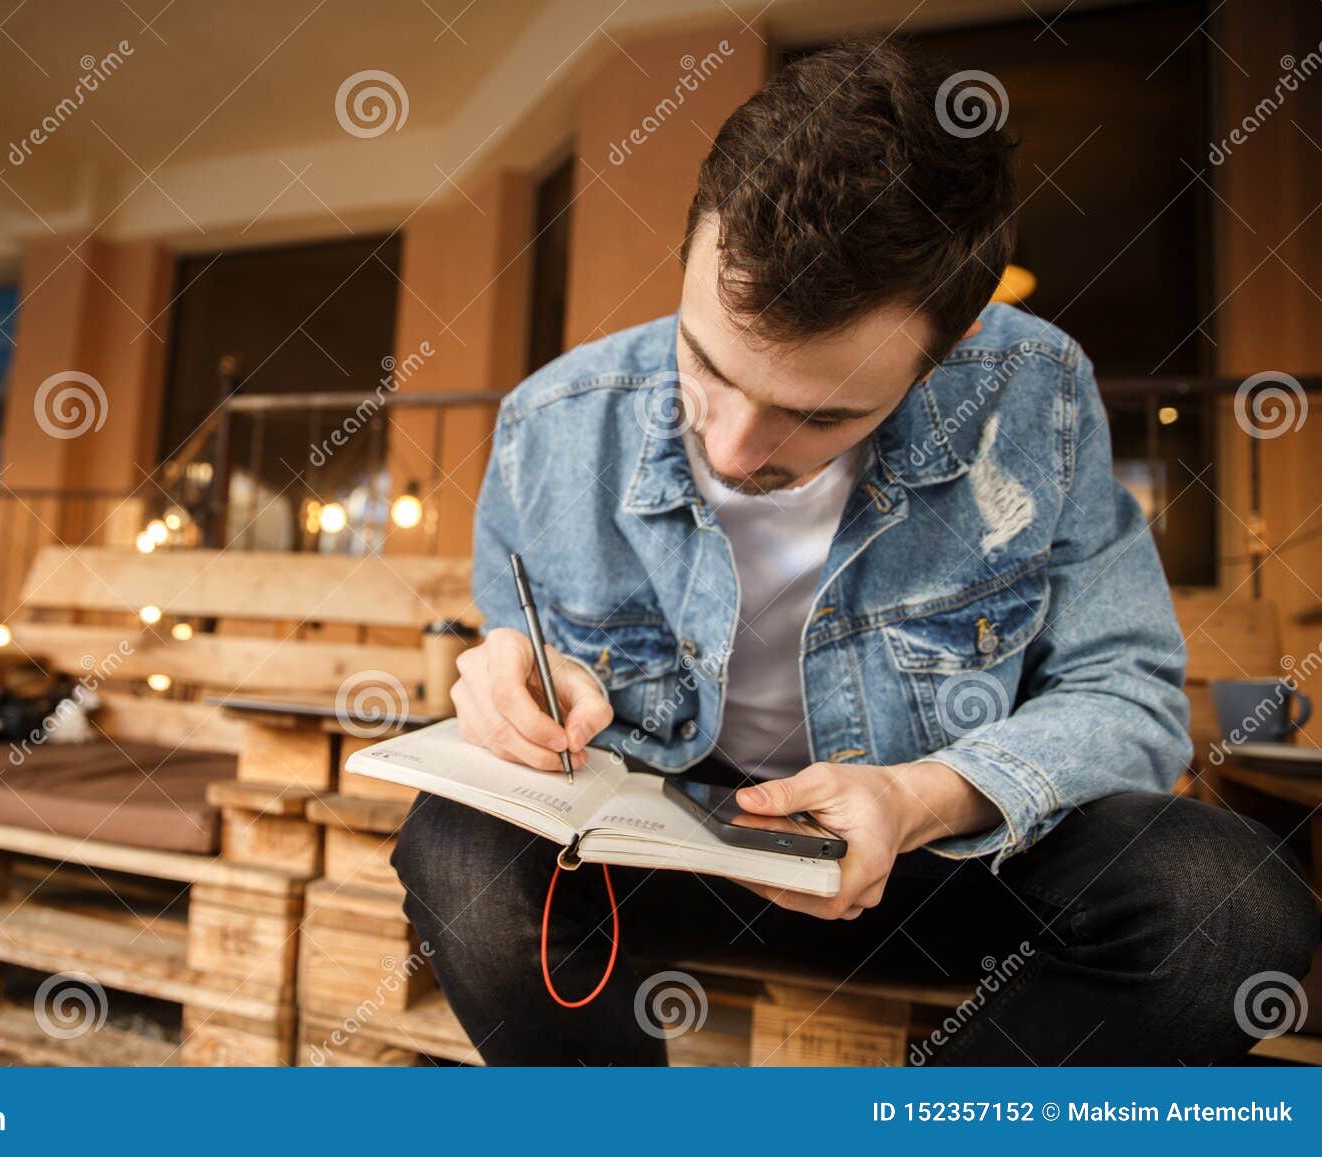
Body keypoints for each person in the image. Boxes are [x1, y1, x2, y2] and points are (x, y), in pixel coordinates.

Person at [391, 38, 1316, 1065]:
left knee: (1227, 904)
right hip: (662, 865)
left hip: (944, 862)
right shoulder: (552, 424)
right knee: (456, 846)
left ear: (948, 352)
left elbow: (1128, 691)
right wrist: (513, 678)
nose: (734, 447)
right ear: (692, 244)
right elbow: (515, 647)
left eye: (816, 413)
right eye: (705, 362)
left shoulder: (1032, 393)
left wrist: (920, 797)